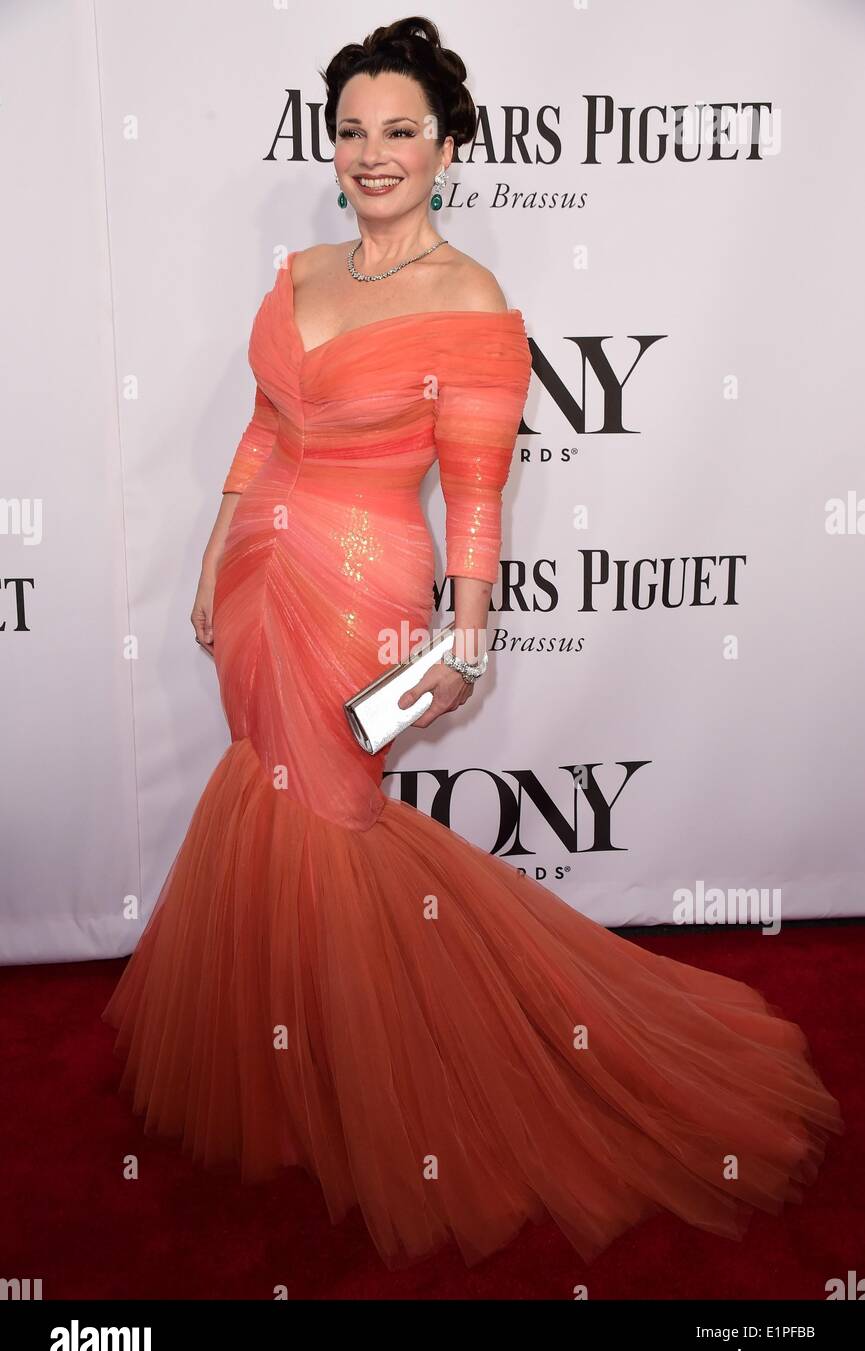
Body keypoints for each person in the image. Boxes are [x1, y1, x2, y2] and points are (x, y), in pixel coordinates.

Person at [102, 16, 843, 1272]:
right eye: (352, 130)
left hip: (358, 591)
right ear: (327, 145)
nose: (373, 153)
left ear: (447, 144)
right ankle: (300, 1072)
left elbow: (479, 493)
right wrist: (209, 550)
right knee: (271, 813)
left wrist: (465, 637)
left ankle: (380, 1092)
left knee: (330, 823)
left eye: (400, 130)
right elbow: (267, 425)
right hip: (255, 586)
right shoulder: (295, 273)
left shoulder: (471, 299)